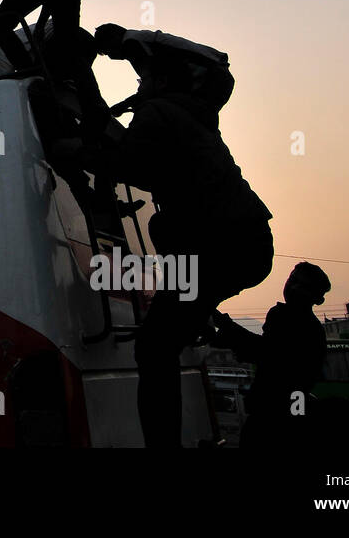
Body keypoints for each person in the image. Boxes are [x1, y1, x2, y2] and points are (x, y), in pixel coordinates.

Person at [58, 74, 274, 447]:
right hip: (241, 243)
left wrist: (77, 151)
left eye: (144, 80)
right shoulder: (194, 116)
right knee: (165, 338)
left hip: (216, 245)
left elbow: (131, 164)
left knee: (155, 348)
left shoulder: (157, 111)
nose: (138, 86)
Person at [212, 262, 331, 448]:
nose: (293, 287)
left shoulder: (298, 324)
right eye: (292, 279)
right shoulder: (300, 322)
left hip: (275, 414)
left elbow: (265, 353)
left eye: (303, 285)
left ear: (317, 298)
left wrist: (225, 325)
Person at [95, 24, 234, 122]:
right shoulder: (145, 41)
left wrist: (123, 105)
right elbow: (156, 84)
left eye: (107, 51)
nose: (111, 57)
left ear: (113, 37)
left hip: (211, 78)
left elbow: (150, 85)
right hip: (217, 76)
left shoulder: (131, 43)